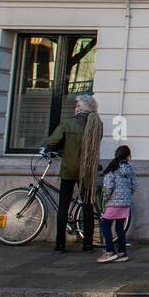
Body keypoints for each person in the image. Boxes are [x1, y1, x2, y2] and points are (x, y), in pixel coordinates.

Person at [45, 94, 103, 252]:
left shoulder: (68, 123)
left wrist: (61, 147)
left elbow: (51, 141)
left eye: (76, 105)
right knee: (87, 206)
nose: (75, 107)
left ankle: (60, 243)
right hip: (87, 170)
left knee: (63, 206)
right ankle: (88, 244)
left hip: (69, 169)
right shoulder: (97, 124)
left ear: (81, 107)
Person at [98, 144, 137, 263]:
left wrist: (105, 198)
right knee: (120, 227)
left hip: (113, 202)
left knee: (105, 225)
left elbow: (108, 186)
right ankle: (122, 252)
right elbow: (134, 185)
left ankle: (109, 251)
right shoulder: (130, 169)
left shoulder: (112, 168)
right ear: (128, 156)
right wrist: (128, 196)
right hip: (125, 203)